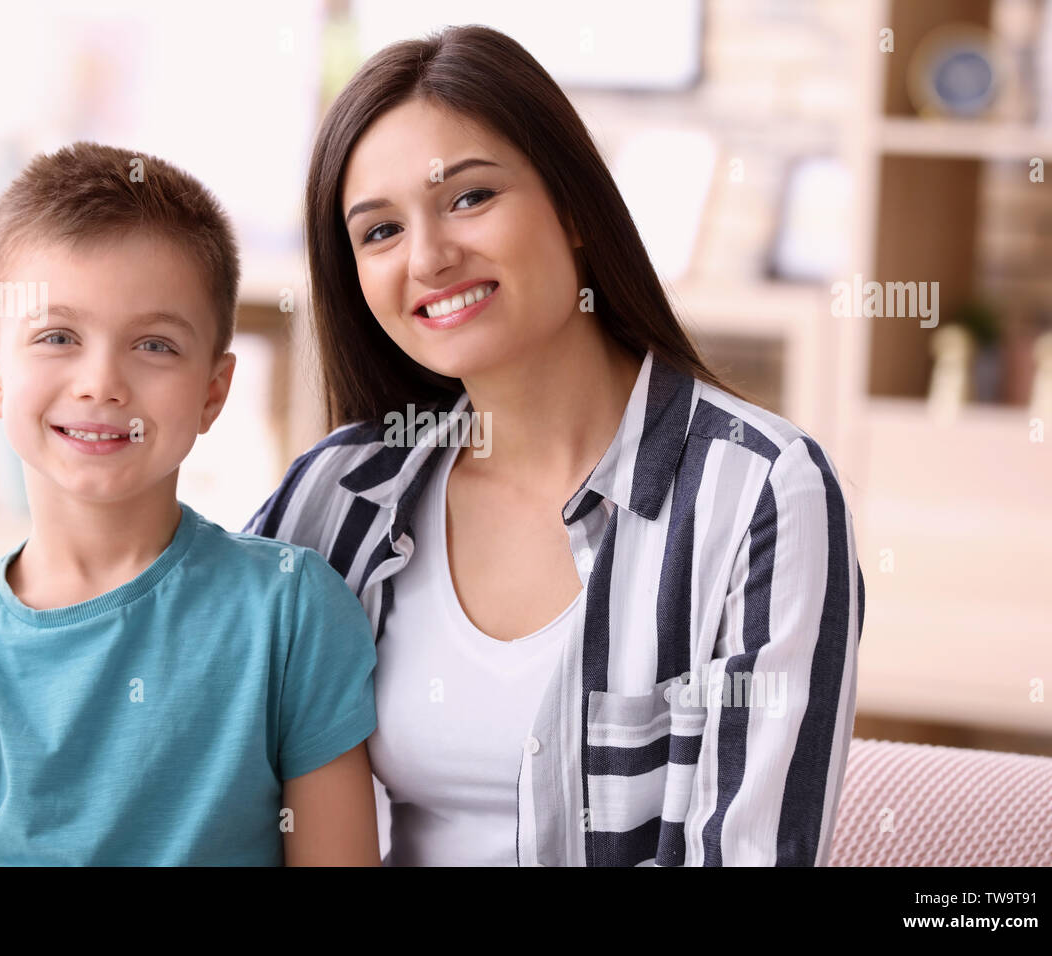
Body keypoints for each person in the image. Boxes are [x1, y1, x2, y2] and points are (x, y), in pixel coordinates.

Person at [245, 25, 865, 866]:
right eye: (380, 231)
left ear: (573, 206)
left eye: (469, 198)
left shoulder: (758, 491)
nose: (429, 256)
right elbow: (192, 730)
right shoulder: (340, 493)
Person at [0, 142, 380, 866]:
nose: (101, 383)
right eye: (58, 336)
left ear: (213, 392)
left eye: (153, 345)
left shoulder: (292, 611)